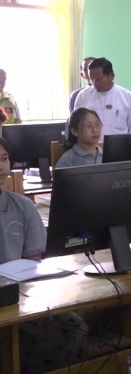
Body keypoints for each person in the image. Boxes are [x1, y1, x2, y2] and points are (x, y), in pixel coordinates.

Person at [0, 137, 89, 372]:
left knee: (73, 326)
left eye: (4, 158)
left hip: (20, 297)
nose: (1, 166)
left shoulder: (22, 206)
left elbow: (34, 260)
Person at [73, 57, 131, 139]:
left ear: (112, 76)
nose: (95, 83)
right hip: (90, 149)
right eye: (92, 79)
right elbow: (76, 126)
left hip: (120, 148)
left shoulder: (128, 97)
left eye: (99, 79)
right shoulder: (82, 96)